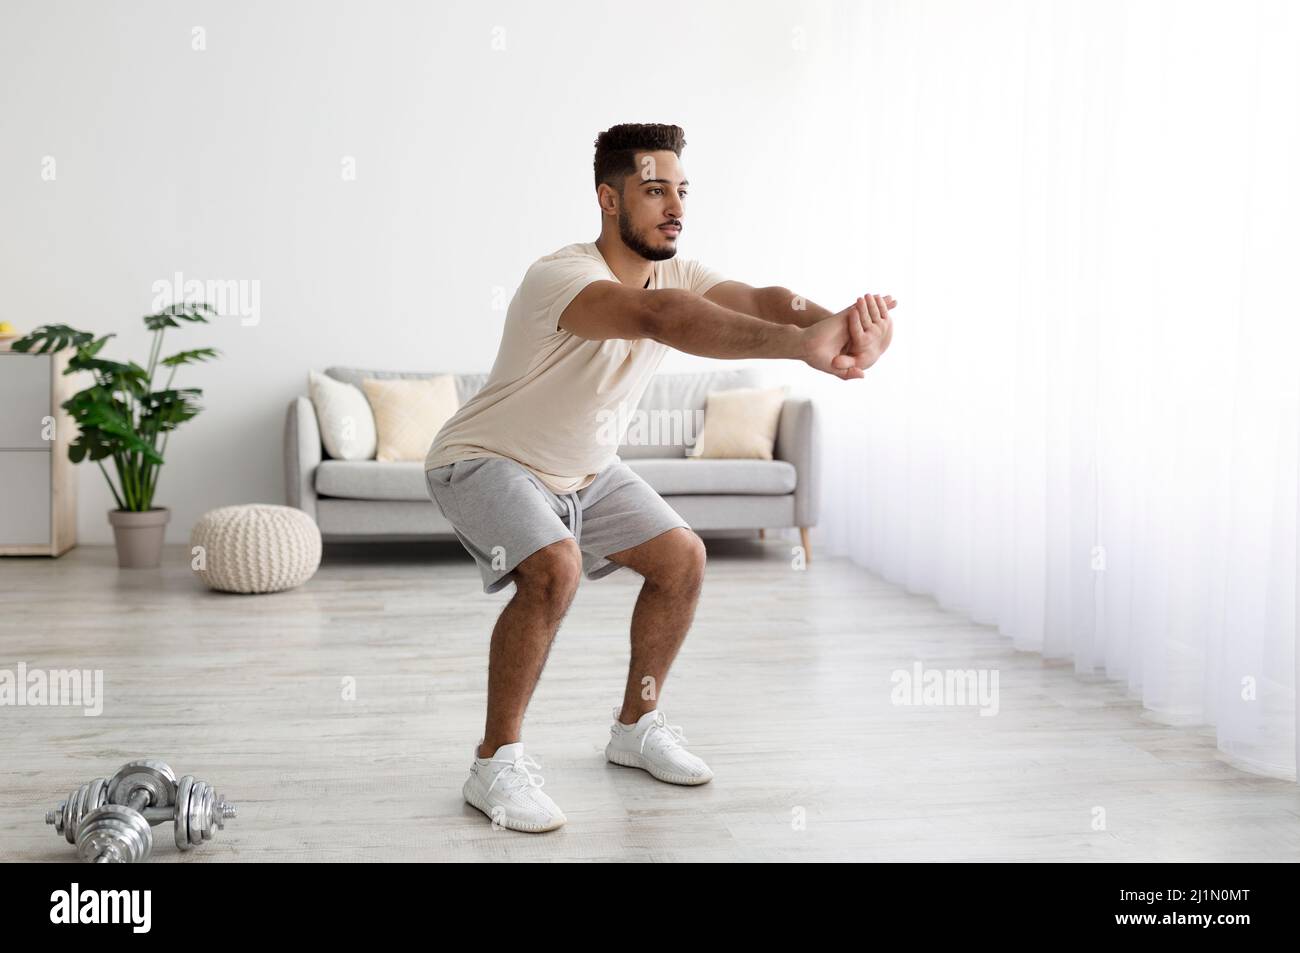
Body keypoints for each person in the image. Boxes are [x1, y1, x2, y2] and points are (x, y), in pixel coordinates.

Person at [425, 122, 896, 832]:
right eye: (653, 191)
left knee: (683, 559)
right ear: (608, 201)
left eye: (680, 190)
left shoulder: (682, 270)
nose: (674, 206)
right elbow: (657, 317)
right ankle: (494, 763)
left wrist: (840, 324)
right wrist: (802, 345)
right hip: (484, 458)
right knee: (555, 567)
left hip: (585, 470)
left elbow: (763, 299)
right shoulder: (562, 275)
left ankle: (635, 726)